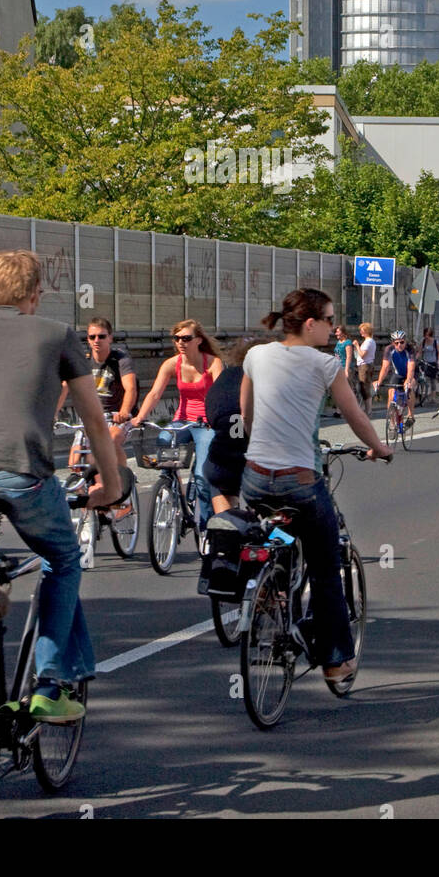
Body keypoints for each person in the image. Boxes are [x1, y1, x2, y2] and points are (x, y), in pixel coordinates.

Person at [0, 250, 119, 724]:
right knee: (62, 558)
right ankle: (51, 683)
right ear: (36, 294)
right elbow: (94, 420)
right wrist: (111, 484)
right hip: (20, 475)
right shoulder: (57, 334)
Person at [240, 289, 391, 684]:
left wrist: (263, 449)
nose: (332, 326)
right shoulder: (325, 365)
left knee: (279, 536)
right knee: (326, 567)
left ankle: (270, 594)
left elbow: (247, 413)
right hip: (300, 481)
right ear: (310, 324)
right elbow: (354, 415)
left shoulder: (256, 356)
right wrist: (378, 447)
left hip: (255, 479)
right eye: (328, 319)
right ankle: (336, 660)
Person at [131, 319, 222, 526]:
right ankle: (171, 487)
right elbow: (155, 394)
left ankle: (206, 526)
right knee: (163, 439)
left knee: (201, 477)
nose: (181, 342)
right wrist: (140, 417)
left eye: (186, 338)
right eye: (177, 338)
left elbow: (220, 394)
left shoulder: (213, 362)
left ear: (198, 340)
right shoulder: (172, 364)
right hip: (181, 420)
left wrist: (220, 420)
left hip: (205, 423)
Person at [55, 317, 136, 472]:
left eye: (102, 336)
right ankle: (83, 493)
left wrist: (124, 412)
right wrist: (53, 413)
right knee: (75, 464)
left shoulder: (120, 359)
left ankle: (123, 480)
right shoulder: (83, 362)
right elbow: (64, 387)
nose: (96, 340)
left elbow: (130, 388)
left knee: (111, 441)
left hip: (115, 416)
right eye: (92, 337)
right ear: (88, 340)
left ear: (110, 338)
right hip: (91, 417)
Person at [203, 335, 267, 512]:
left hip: (222, 454)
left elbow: (214, 411)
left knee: (222, 486)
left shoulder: (227, 376)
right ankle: (275, 535)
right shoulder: (268, 376)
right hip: (259, 455)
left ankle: (225, 526)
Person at [375, 329, 417, 428]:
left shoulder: (410, 349)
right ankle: (393, 424)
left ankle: (411, 415)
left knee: (410, 387)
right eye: (396, 343)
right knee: (391, 394)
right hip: (398, 374)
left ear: (405, 341)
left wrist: (408, 380)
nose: (399, 345)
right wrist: (379, 382)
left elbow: (411, 368)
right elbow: (385, 367)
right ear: (393, 343)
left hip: (409, 374)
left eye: (402, 342)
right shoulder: (389, 349)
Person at [331, 325, 357, 413]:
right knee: (339, 390)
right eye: (336, 332)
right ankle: (339, 410)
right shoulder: (339, 342)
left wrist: (346, 370)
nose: (336, 333)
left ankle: (352, 409)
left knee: (348, 389)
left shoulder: (348, 343)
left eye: (338, 331)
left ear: (343, 332)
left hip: (345, 368)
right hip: (338, 368)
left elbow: (349, 357)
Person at [355, 322, 378, 408]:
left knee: (364, 387)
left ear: (366, 331)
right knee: (364, 387)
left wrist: (357, 346)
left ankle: (368, 409)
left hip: (365, 366)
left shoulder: (368, 342)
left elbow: (362, 354)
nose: (360, 332)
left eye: (362, 330)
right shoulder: (369, 341)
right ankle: (368, 408)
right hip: (365, 365)